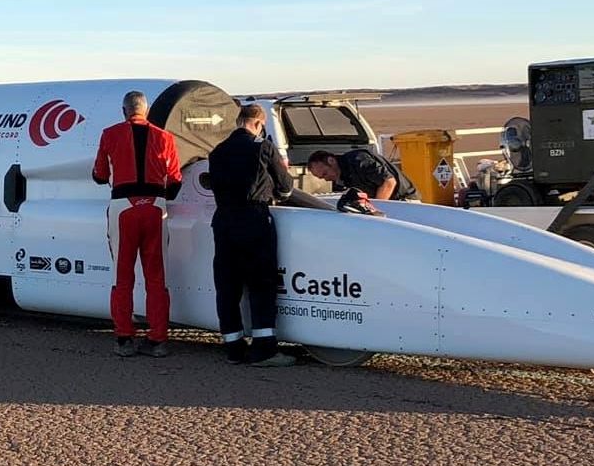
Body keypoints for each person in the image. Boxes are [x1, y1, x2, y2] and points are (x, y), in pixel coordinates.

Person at [201, 103, 296, 367]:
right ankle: (264, 349)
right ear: (258, 123)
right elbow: (285, 187)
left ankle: (233, 347)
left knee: (228, 286)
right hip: (253, 219)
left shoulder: (217, 151)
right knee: (261, 283)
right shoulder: (262, 147)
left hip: (223, 221)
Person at [91, 91, 182, 357]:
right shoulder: (165, 137)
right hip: (155, 207)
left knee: (122, 275)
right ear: (147, 110)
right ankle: (158, 340)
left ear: (124, 111)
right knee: (156, 276)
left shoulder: (110, 134)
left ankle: (124, 339)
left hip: (123, 208)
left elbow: (99, 175)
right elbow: (175, 179)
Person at [305, 146, 416, 214]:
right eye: (322, 178)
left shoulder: (358, 160)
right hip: (389, 206)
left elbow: (388, 182)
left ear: (331, 160)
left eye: (325, 173)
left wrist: (375, 210)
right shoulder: (343, 179)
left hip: (405, 203)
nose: (327, 179)